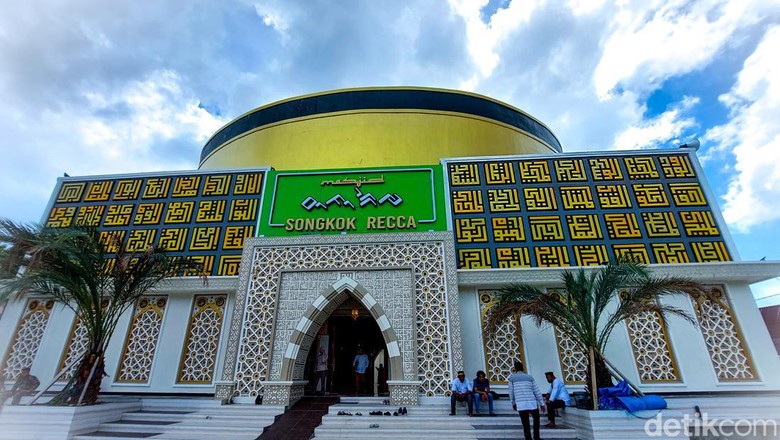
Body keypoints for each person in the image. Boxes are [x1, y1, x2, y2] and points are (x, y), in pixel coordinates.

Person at [508, 361, 545, 440]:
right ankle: (536, 437)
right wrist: (542, 403)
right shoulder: (530, 377)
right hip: (532, 403)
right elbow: (537, 391)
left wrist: (513, 403)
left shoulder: (512, 379)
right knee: (536, 420)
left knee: (525, 423)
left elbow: (511, 393)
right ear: (523, 368)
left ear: (515, 369)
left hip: (521, 404)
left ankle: (528, 438)